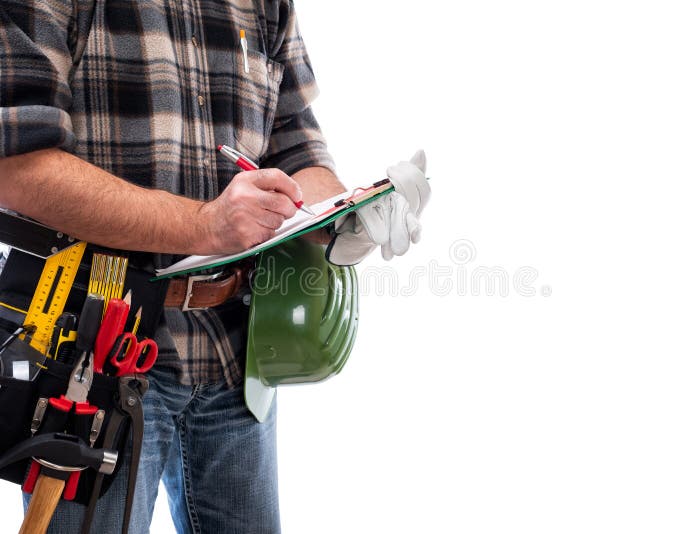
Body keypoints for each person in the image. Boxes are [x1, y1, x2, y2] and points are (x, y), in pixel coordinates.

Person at [0, 0, 429, 532]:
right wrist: (205, 224)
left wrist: (345, 216)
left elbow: (295, 148)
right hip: (94, 354)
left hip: (236, 350)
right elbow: (17, 165)